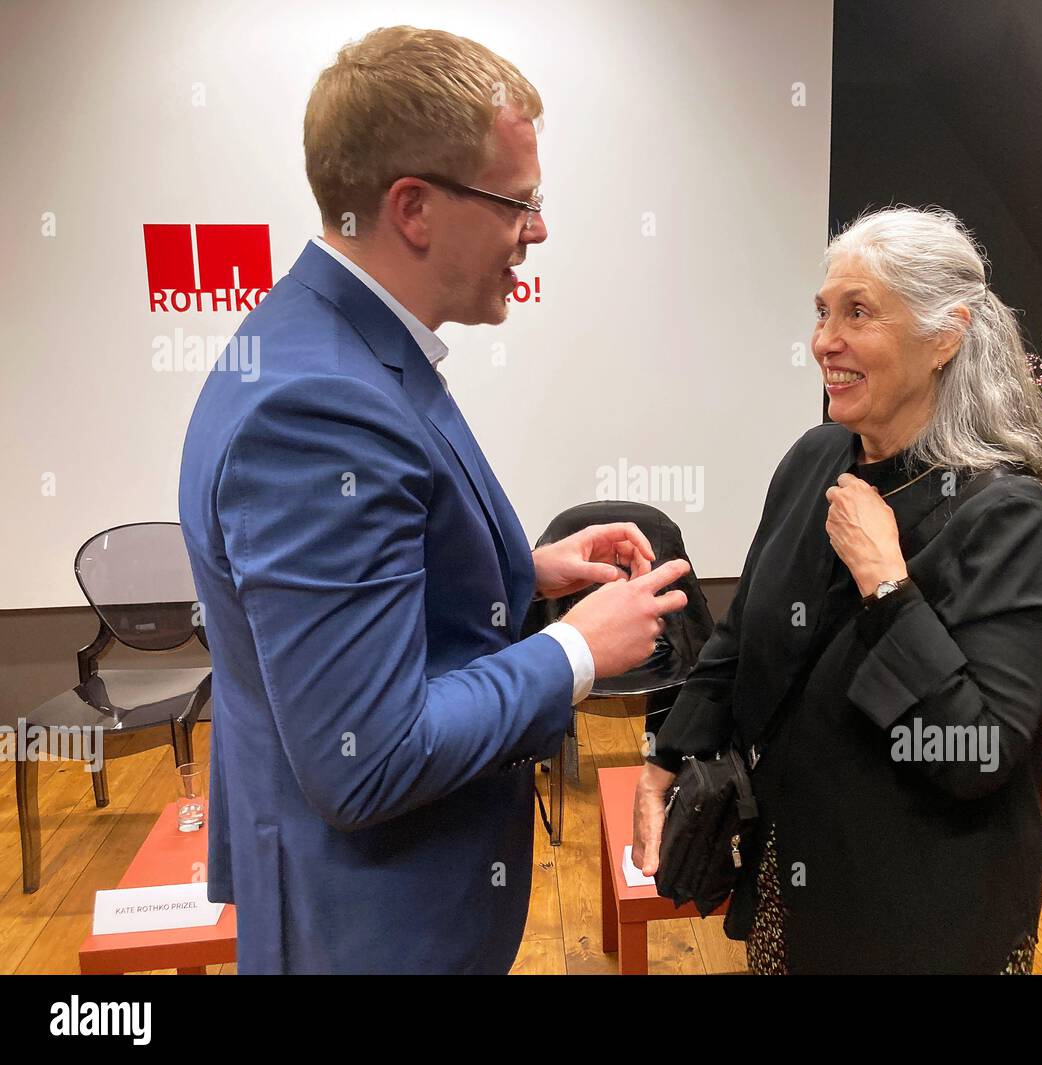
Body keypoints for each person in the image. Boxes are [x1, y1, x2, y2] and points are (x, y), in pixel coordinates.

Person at [178, 26, 688, 974]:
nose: (536, 232)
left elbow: (339, 601)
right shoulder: (318, 408)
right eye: (518, 204)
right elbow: (366, 754)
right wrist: (576, 648)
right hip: (375, 925)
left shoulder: (329, 344)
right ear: (412, 207)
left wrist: (518, 570)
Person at [632, 206, 1042, 974]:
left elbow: (979, 751)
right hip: (794, 873)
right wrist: (663, 757)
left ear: (945, 335)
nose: (824, 341)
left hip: (922, 913)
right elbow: (740, 638)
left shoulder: (1008, 514)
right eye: (823, 311)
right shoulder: (817, 456)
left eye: (858, 312)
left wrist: (887, 584)